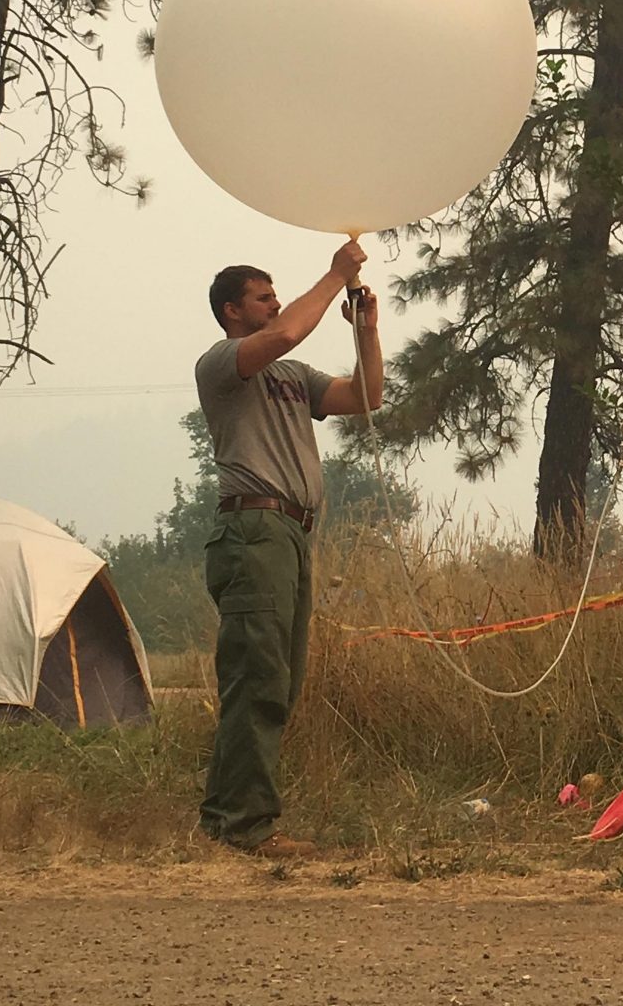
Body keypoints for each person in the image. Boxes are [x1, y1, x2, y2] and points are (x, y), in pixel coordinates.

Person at [195, 239, 383, 857]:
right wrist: (334, 276)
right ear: (232, 312)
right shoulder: (224, 361)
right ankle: (245, 827)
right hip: (254, 531)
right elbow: (282, 337)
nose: (274, 304)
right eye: (262, 296)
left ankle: (229, 819)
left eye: (275, 293)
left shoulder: (292, 378)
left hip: (291, 534)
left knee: (278, 678)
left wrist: (367, 332)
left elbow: (365, 398)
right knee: (259, 677)